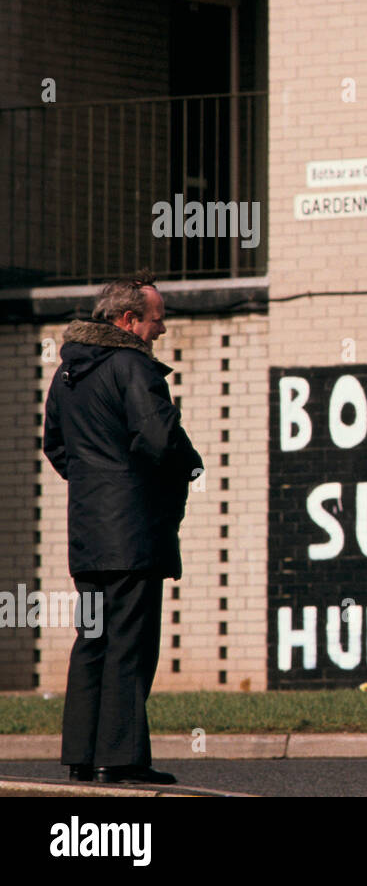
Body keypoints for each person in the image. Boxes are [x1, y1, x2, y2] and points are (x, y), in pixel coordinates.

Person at [43, 269, 203, 784]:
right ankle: (122, 757)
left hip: (88, 532)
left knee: (92, 640)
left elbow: (57, 445)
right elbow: (159, 439)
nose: (161, 331)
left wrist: (97, 483)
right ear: (129, 319)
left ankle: (82, 758)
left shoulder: (68, 373)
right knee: (131, 645)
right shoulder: (134, 367)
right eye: (156, 320)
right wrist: (184, 466)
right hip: (133, 533)